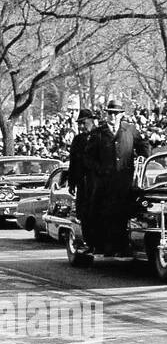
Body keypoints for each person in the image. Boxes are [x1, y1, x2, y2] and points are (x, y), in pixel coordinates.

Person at [89, 99, 149, 254]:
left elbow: (143, 146)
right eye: (110, 113)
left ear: (122, 114)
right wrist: (100, 170)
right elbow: (88, 157)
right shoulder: (98, 133)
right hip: (105, 182)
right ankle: (107, 246)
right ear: (106, 114)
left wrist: (144, 158)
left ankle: (123, 246)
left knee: (123, 213)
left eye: (116, 113)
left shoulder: (130, 129)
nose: (113, 116)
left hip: (125, 180)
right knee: (106, 213)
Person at [67, 107, 101, 250]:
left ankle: (99, 243)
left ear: (92, 121)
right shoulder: (77, 139)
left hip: (98, 182)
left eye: (83, 122)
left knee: (97, 212)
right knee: (83, 213)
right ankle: (89, 243)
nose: (81, 126)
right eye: (79, 123)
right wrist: (71, 182)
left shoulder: (100, 136)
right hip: (82, 182)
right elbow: (73, 162)